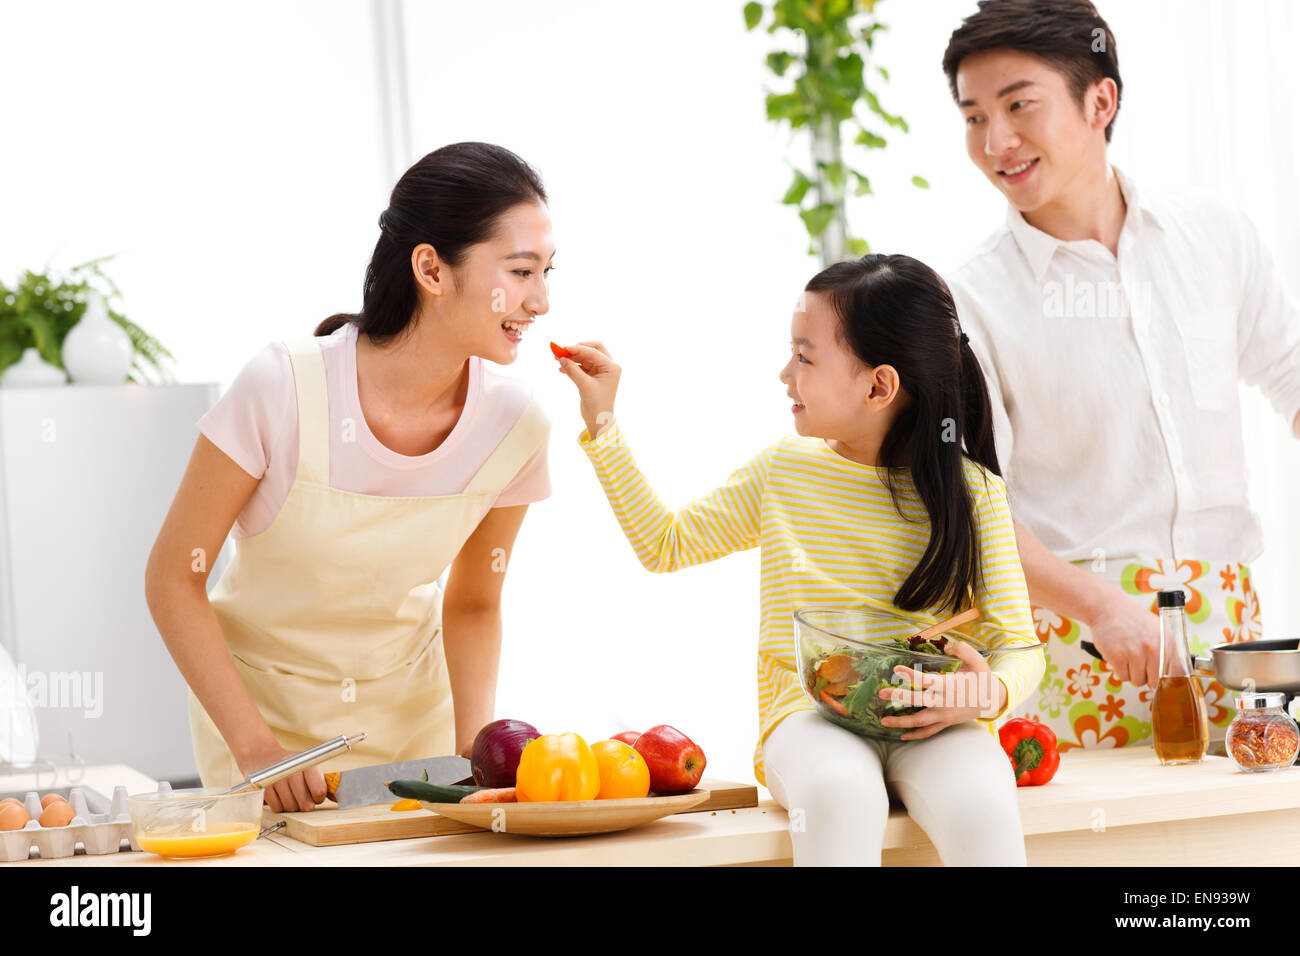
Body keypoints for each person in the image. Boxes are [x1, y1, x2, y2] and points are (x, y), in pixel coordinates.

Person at [554, 254, 1044, 865]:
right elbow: (666, 544)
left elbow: (1019, 644)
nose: (785, 374)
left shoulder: (973, 492)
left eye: (805, 357)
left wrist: (987, 693)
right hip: (811, 713)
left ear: (878, 386)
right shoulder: (785, 470)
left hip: (934, 721)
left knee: (982, 806)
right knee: (840, 795)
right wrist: (603, 421)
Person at [144, 142, 555, 811]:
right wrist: (257, 750)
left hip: (413, 741)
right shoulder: (283, 389)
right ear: (431, 268)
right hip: (262, 742)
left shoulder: (515, 426)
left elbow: (476, 603)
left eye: (546, 271)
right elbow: (173, 578)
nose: (540, 299)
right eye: (520, 270)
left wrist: (472, 763)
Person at [940, 0, 1300, 749]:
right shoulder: (970, 297)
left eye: (1018, 106)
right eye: (974, 117)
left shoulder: (1214, 233)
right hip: (1078, 639)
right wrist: (1101, 605)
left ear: (1100, 99)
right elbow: (976, 503)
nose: (995, 141)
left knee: (1242, 852)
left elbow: (1291, 376)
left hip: (1233, 636)